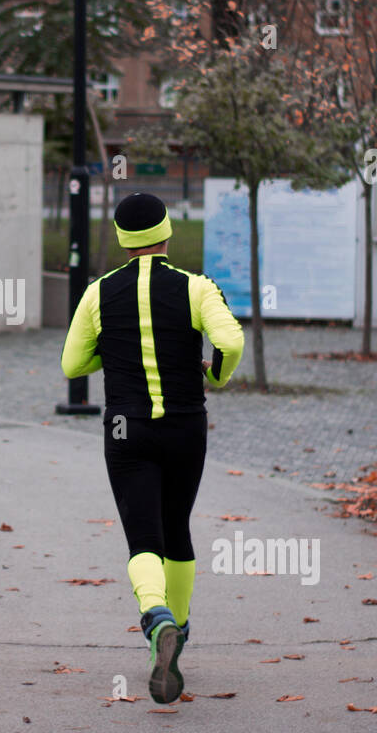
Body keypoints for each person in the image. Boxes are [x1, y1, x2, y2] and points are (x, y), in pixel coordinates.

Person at [60, 193, 244, 703]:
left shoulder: (98, 294)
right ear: (167, 233)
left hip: (126, 427)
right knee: (177, 527)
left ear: (121, 240)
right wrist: (219, 376)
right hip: (186, 425)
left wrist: (112, 356)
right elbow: (231, 343)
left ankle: (154, 617)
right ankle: (178, 631)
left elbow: (72, 366)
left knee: (143, 537)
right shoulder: (197, 288)